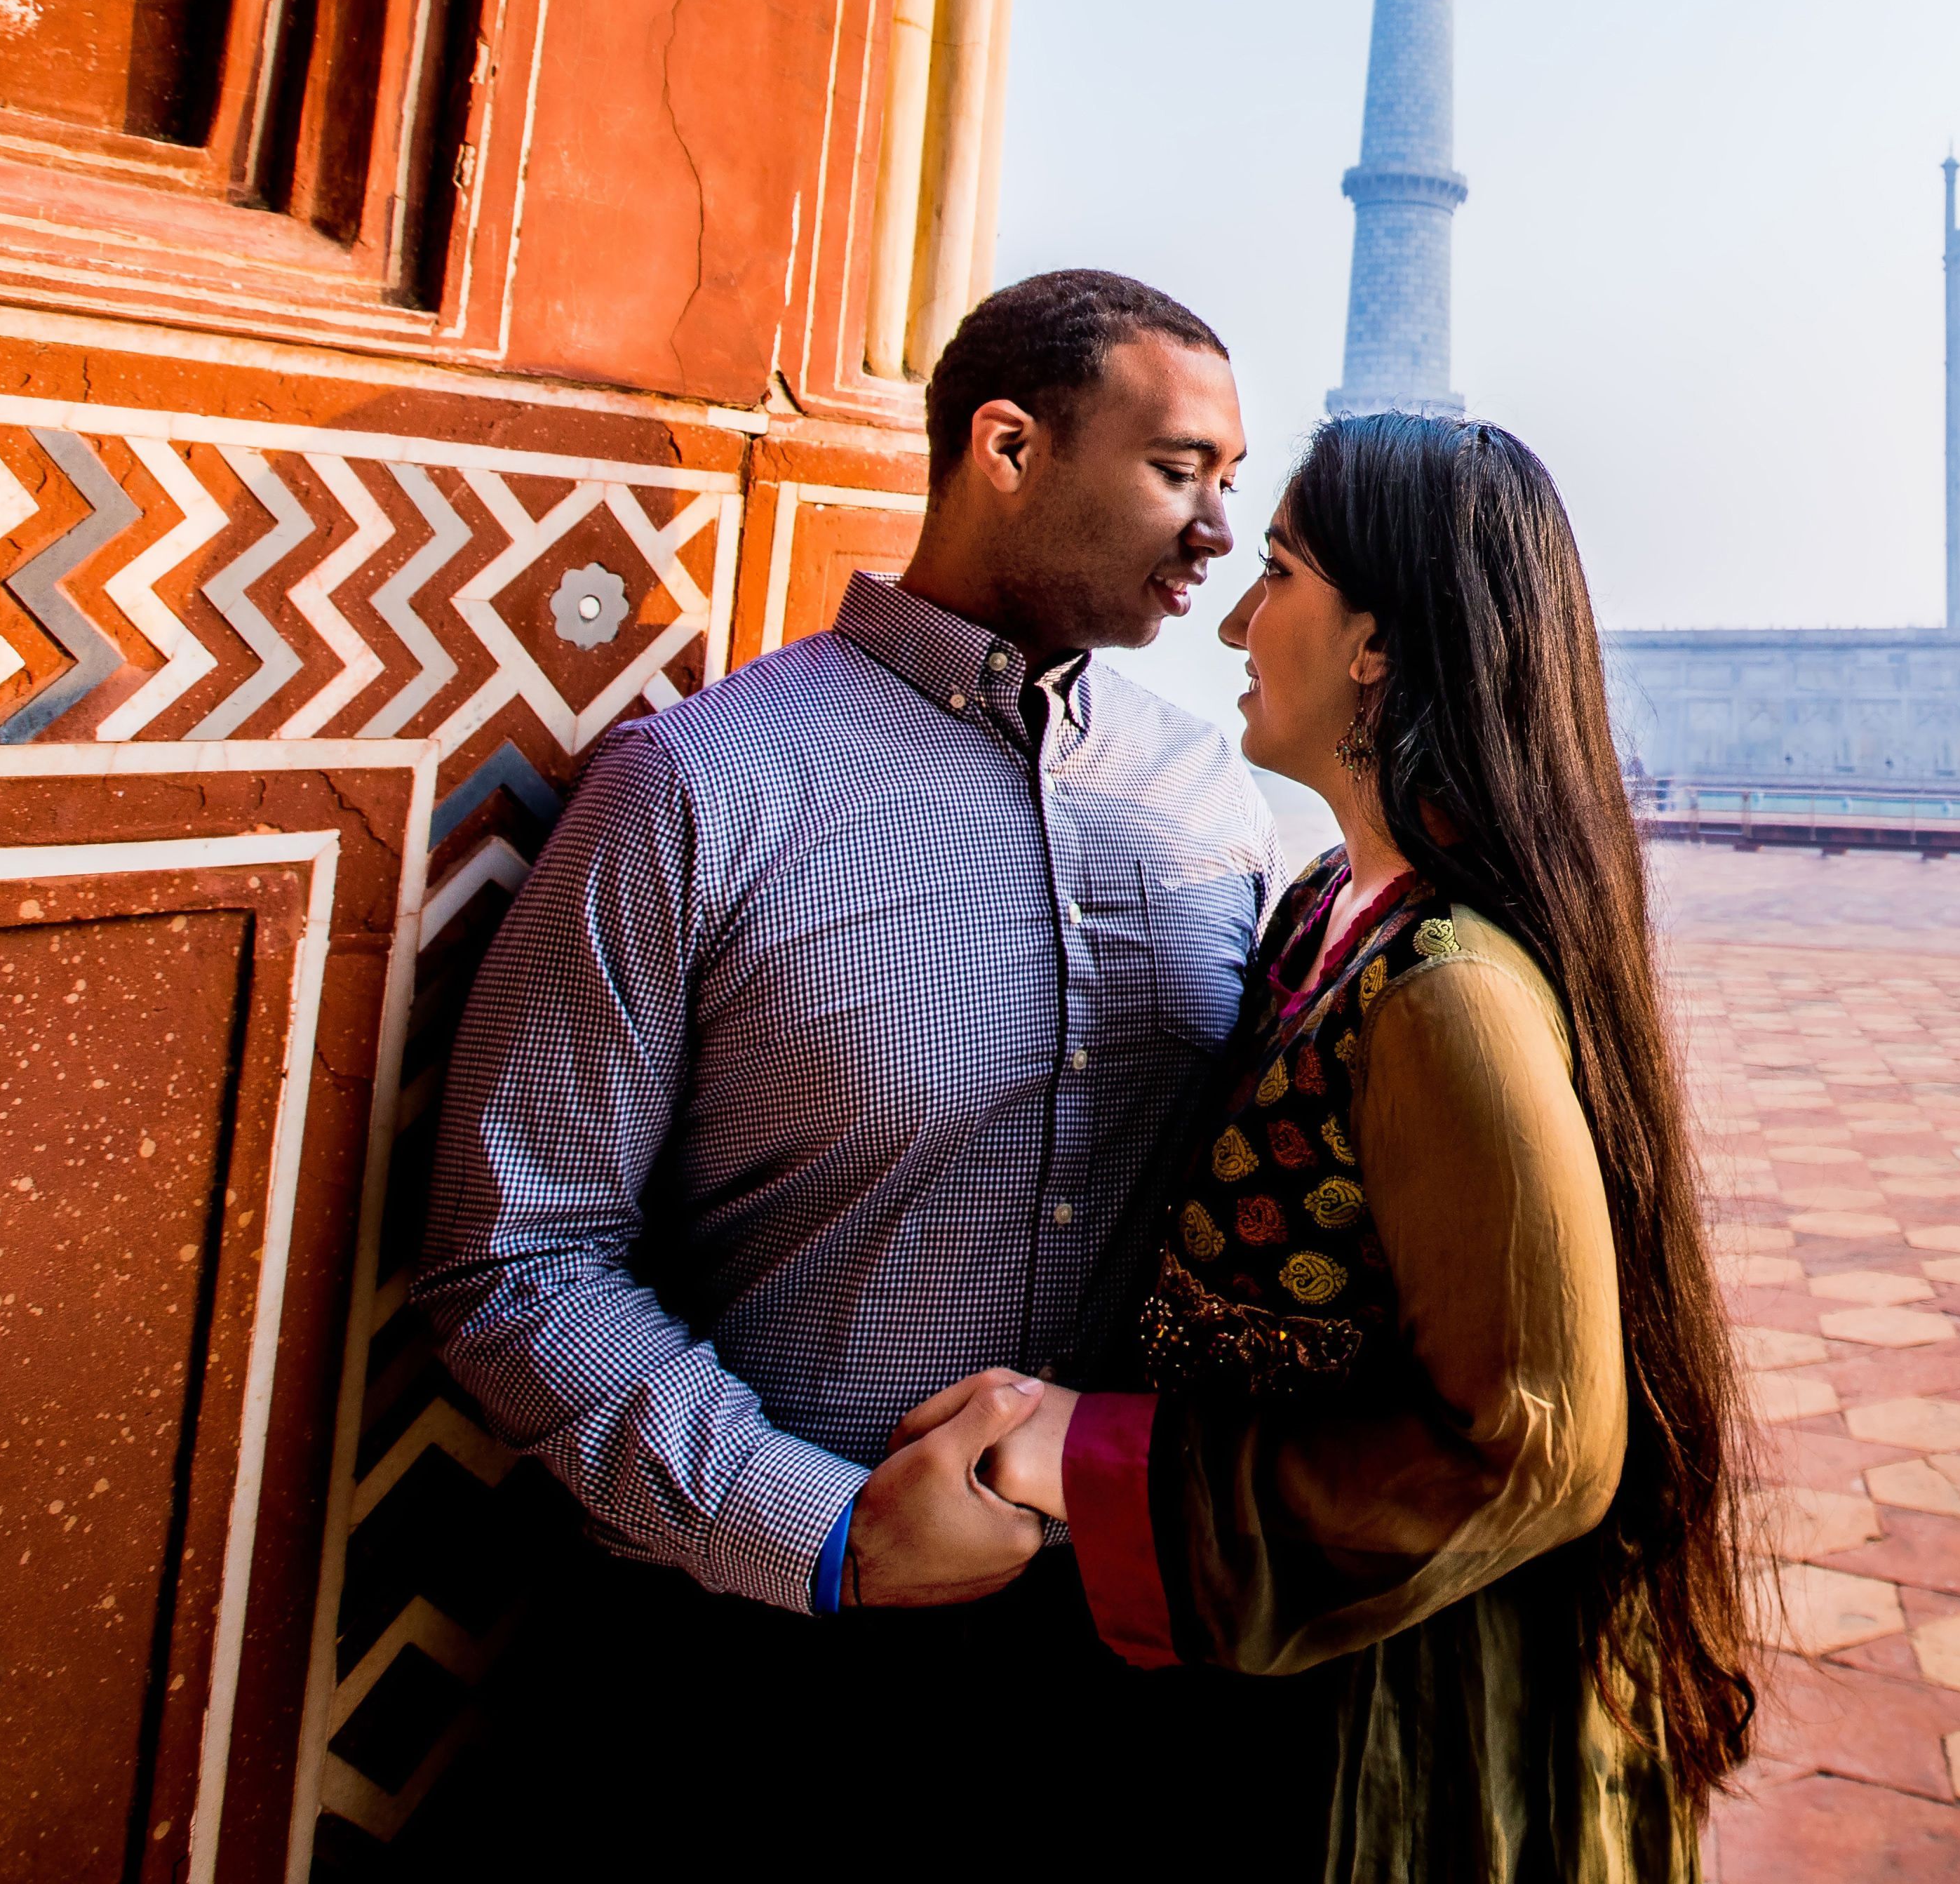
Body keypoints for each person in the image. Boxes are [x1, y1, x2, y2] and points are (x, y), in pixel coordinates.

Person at [411, 269, 1327, 1869]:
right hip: (764, 1673)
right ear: (1008, 446)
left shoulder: (1214, 804)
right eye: (1181, 468)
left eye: (1235, 487)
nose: (1217, 532)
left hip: (1128, 1655)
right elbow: (517, 1258)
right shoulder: (703, 789)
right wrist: (825, 1530)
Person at [912, 413, 1756, 1883]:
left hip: (1405, 1716)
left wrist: (1091, 1454)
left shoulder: (1449, 988)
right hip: (1308, 1652)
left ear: (1375, 639)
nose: (1238, 614)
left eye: (1283, 569)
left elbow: (1539, 1444)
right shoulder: (1328, 911)